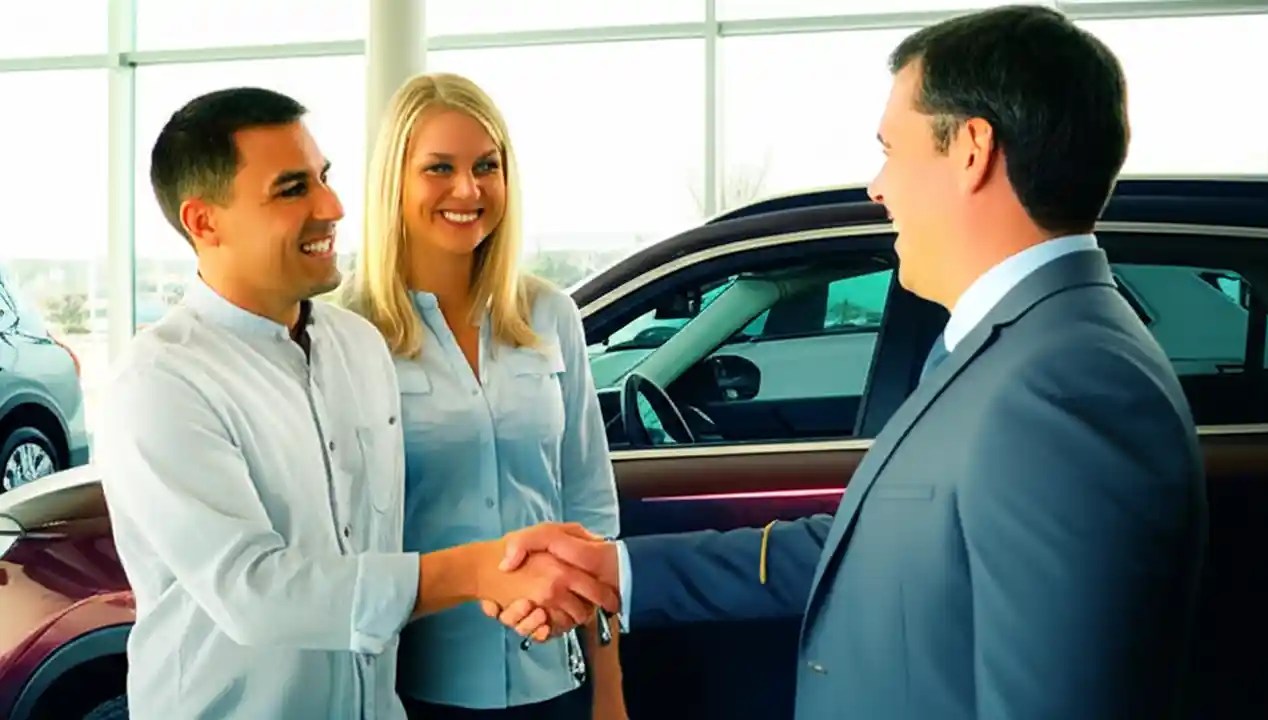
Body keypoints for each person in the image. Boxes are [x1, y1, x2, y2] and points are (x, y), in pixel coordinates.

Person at [485, 5, 1208, 719]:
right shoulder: (1011, 347)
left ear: (971, 151)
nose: (877, 186)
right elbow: (870, 551)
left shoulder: (1068, 387)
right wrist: (618, 571)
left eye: (892, 149)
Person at [98, 86, 617, 720]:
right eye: (293, 189)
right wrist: (481, 570)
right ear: (204, 222)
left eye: (324, 178)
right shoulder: (159, 381)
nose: (332, 206)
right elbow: (256, 591)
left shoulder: (355, 346)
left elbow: (376, 542)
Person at [340, 72, 626, 720]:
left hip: (552, 682)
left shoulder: (550, 315)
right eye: (439, 168)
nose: (468, 190)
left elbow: (591, 512)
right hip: (411, 690)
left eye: (486, 166)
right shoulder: (346, 333)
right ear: (396, 182)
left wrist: (608, 693)